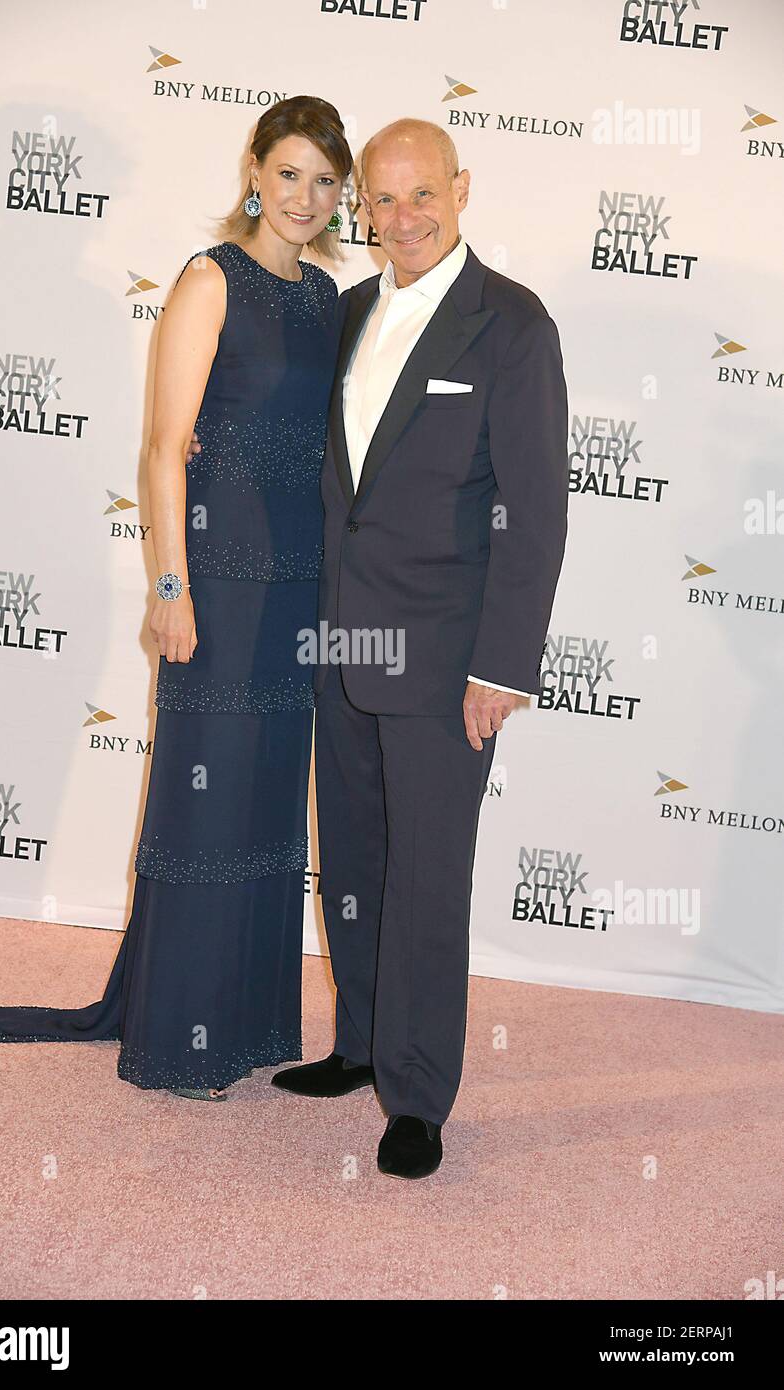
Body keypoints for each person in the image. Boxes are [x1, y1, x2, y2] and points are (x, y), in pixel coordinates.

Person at [0, 96, 353, 1101]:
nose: (303, 197)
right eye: (287, 173)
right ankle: (180, 1036)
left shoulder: (330, 298)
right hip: (216, 576)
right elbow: (165, 447)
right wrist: (170, 586)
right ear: (252, 170)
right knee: (204, 798)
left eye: (323, 181)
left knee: (262, 804)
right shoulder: (210, 281)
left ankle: (249, 1025)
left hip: (298, 582)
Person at [271, 119, 569, 1177]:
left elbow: (534, 513)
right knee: (352, 856)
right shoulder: (349, 311)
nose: (399, 219)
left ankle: (417, 1093)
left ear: (460, 190)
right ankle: (357, 1043)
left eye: (420, 197)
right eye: (380, 202)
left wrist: (500, 665)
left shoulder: (512, 325)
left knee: (429, 875)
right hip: (344, 634)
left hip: (445, 657)